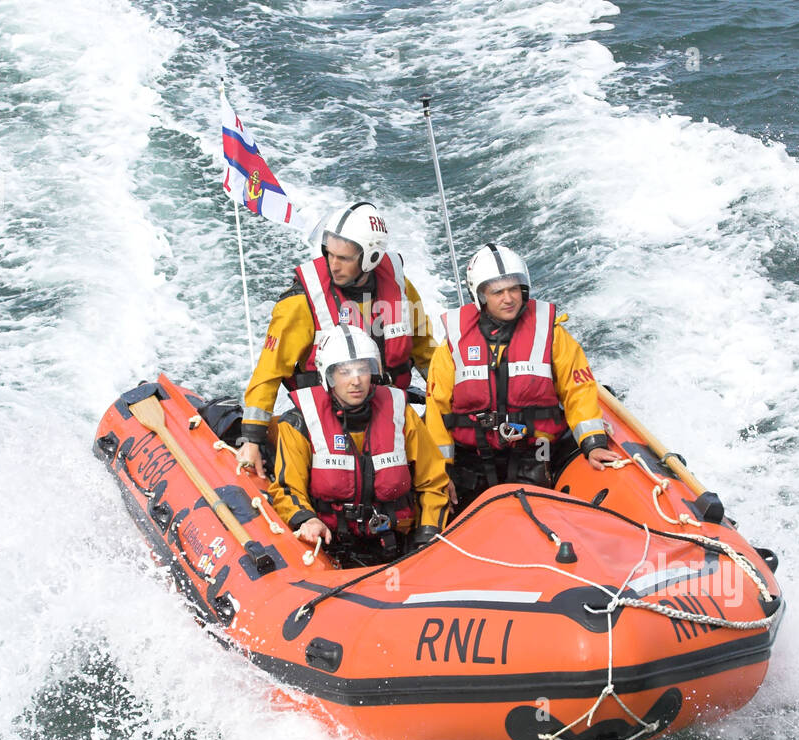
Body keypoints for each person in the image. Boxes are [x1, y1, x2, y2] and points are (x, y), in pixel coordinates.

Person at [235, 202, 437, 479]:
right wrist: (252, 438)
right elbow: (269, 371)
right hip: (325, 425)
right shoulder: (301, 302)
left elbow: (426, 351)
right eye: (329, 254)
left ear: (371, 257)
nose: (334, 265)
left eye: (344, 258)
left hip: (390, 414)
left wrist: (454, 397)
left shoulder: (399, 289)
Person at [425, 243, 617, 508]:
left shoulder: (551, 334)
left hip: (537, 453)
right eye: (497, 292)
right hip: (473, 460)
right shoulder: (454, 344)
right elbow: (437, 411)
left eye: (514, 288)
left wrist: (593, 443)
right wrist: (439, 473)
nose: (509, 298)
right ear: (480, 296)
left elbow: (578, 390)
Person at [267, 325, 449, 565]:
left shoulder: (400, 414)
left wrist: (427, 535)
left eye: (362, 369)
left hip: (399, 545)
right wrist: (306, 520)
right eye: (344, 372)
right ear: (327, 375)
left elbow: (433, 482)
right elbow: (287, 488)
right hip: (333, 547)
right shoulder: (301, 422)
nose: (356, 381)